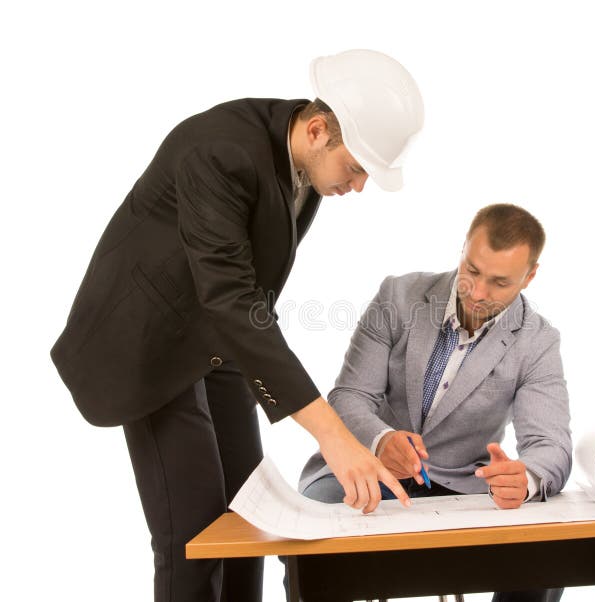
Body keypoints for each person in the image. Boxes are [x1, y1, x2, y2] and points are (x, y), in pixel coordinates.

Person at [50, 49, 424, 602]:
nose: (360, 185)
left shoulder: (301, 159)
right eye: (357, 167)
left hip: (215, 341)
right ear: (319, 130)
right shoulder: (221, 151)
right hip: (148, 346)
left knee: (249, 514)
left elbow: (243, 298)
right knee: (197, 534)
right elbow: (232, 296)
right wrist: (335, 438)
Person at [298, 204, 572, 602]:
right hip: (369, 473)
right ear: (463, 248)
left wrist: (525, 480)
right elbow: (349, 396)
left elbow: (552, 446)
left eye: (499, 282)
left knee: (550, 552)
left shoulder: (537, 341)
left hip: (463, 486)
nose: (477, 293)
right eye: (472, 271)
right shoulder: (398, 296)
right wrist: (381, 439)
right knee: (314, 541)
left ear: (529, 276)